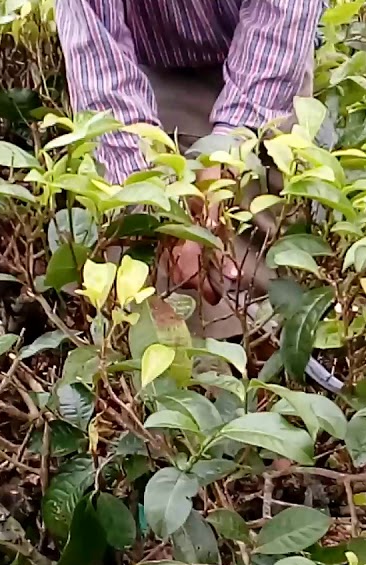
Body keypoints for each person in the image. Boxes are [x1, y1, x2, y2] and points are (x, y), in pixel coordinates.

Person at [55, 0, 324, 338]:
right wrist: (158, 207)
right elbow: (99, 57)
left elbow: (283, 16)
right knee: (147, 272)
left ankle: (258, 367)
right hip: (145, 69)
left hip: (265, 53)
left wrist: (224, 160)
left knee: (249, 271)